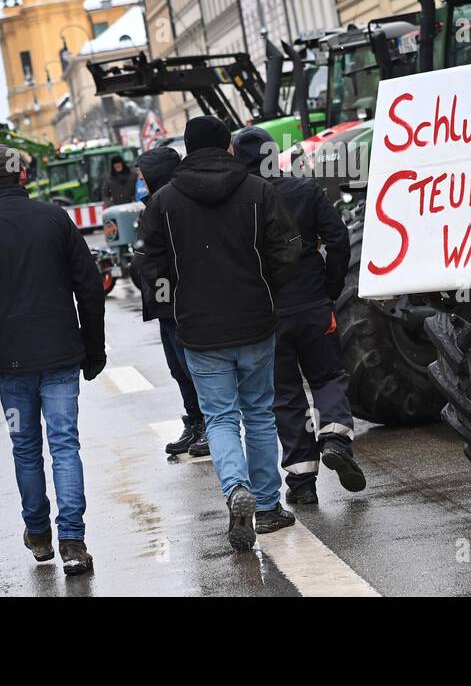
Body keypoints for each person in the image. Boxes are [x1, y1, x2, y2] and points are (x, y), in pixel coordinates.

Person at [136, 116, 302, 552]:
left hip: (199, 328)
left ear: (187, 150)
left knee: (221, 417)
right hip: (255, 320)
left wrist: (175, 303)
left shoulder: (164, 202)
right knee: (260, 414)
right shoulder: (258, 191)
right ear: (228, 146)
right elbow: (288, 249)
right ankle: (267, 506)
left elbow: (148, 264)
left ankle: (235, 491)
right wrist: (265, 286)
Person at [0, 146, 107, 577]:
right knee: (65, 445)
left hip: (11, 364)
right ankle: (72, 541)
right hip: (60, 356)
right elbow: (89, 287)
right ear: (24, 178)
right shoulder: (55, 219)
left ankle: (38, 535)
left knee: (25, 449)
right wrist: (94, 348)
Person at [234, 127, 365, 504]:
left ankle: (303, 483)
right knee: (327, 376)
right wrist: (330, 287)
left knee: (285, 395)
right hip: (312, 304)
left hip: (267, 315)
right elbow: (339, 239)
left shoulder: (241, 203)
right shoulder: (305, 190)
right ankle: (336, 440)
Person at [131, 147, 207, 458]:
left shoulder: (172, 205)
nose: (139, 182)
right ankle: (194, 421)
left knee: (194, 369)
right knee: (178, 369)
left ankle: (208, 425)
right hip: (164, 307)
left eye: (142, 176)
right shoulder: (152, 206)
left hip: (180, 304)